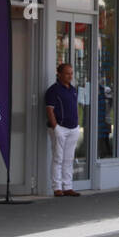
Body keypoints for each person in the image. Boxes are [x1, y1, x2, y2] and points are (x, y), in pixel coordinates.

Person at [45, 62, 80, 197]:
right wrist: (56, 128)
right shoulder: (53, 90)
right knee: (58, 158)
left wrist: (77, 125)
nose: (70, 76)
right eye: (67, 73)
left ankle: (68, 186)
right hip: (60, 128)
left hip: (73, 128)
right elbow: (50, 110)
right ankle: (57, 187)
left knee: (68, 158)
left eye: (71, 73)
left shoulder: (73, 90)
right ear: (59, 74)